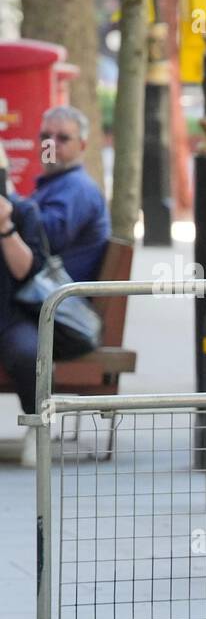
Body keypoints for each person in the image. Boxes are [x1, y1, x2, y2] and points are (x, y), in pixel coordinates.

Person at [32, 106, 110, 283]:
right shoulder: (57, 182)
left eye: (63, 138)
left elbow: (45, 238)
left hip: (59, 299)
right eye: (45, 137)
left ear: (82, 145)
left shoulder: (78, 187)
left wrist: (12, 207)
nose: (51, 145)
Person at [0, 144, 47, 435]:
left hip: (13, 315)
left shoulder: (23, 211)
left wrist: (5, 227)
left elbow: (25, 270)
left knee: (28, 354)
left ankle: (37, 426)